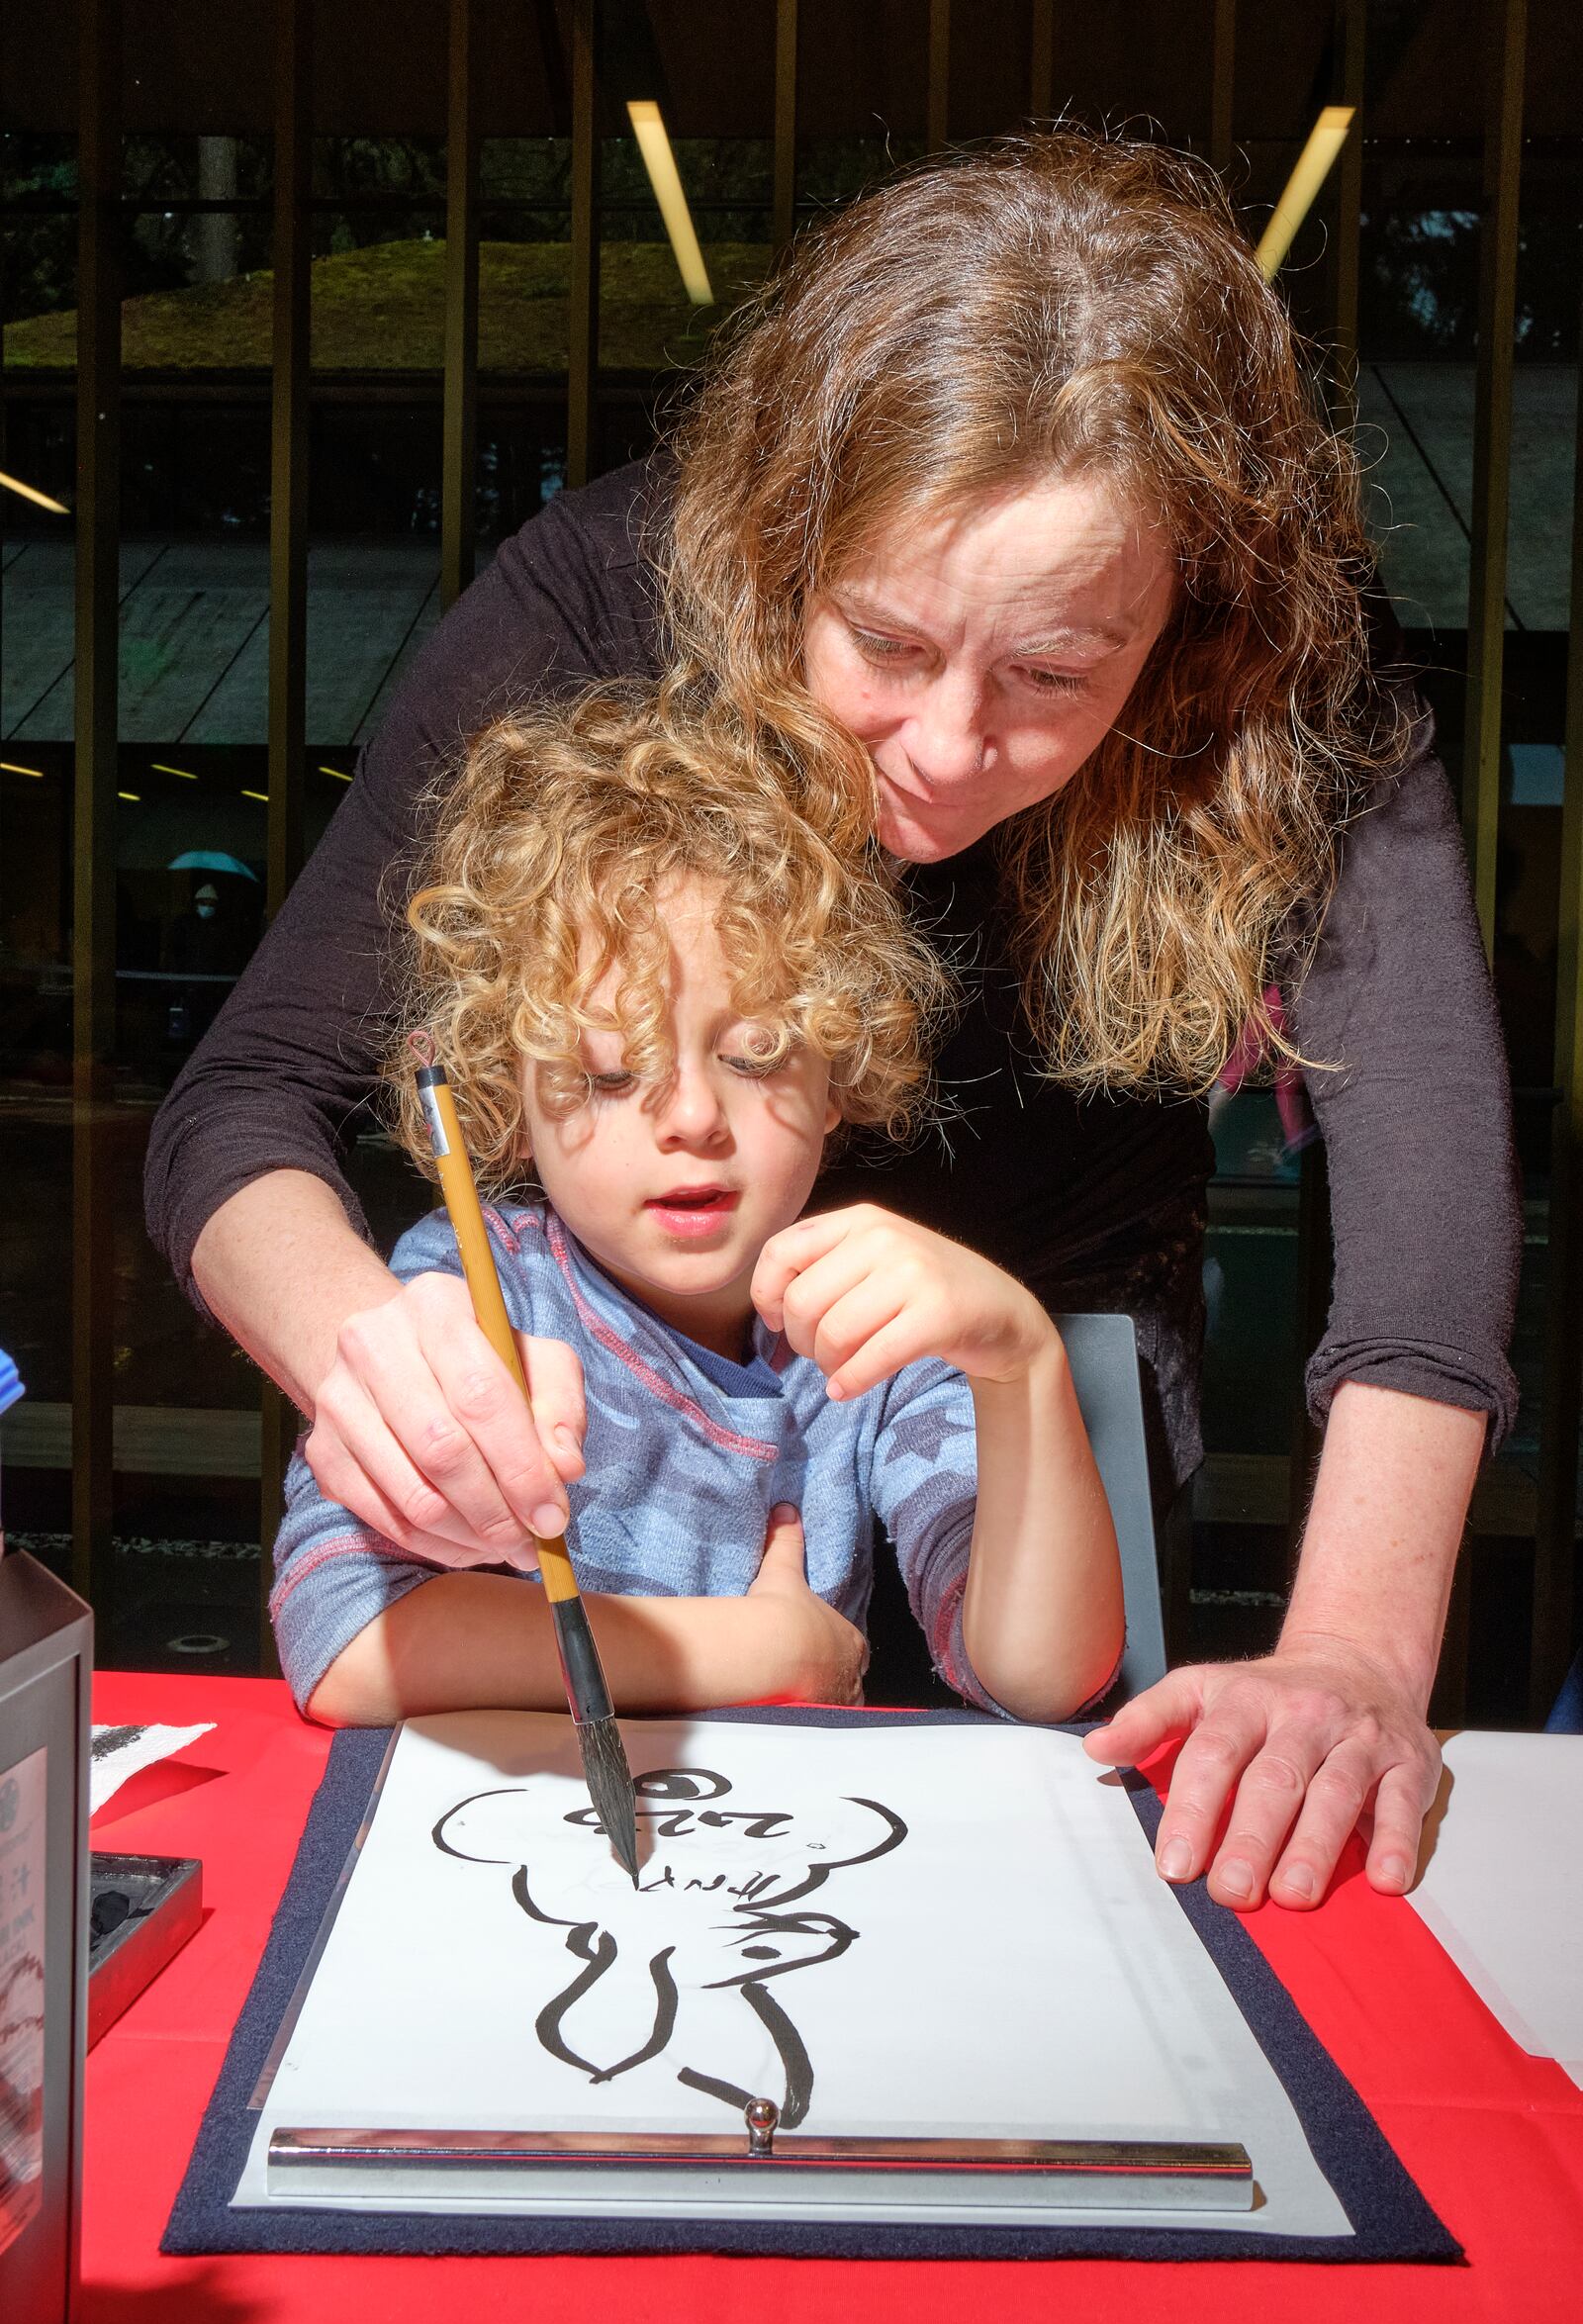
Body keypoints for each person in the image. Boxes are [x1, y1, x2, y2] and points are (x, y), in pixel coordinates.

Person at [146, 131, 1519, 1911]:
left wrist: (1350, 1655)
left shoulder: (1290, 680)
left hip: (1041, 1375)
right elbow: (244, 1095)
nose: (949, 753)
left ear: (1182, 617)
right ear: (780, 529)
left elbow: (1429, 1197)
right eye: (882, 642)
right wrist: (375, 1361)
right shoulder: (601, 590)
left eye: (1052, 676)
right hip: (627, 1396)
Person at [272, 690, 1124, 1729]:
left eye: (754, 1053)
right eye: (607, 1073)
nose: (689, 1117)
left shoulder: (873, 1327)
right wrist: (761, 1652)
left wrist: (1021, 1362)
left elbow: (1042, 1675)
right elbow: (348, 1646)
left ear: (839, 1063)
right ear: (503, 1094)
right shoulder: (474, 1285)